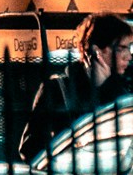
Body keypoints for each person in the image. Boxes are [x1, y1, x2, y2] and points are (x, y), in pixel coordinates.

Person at [16, 9, 133, 165]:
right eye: (121, 48)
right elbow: (30, 148)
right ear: (97, 51)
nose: (129, 56)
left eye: (129, 47)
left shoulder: (122, 93)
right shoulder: (57, 89)